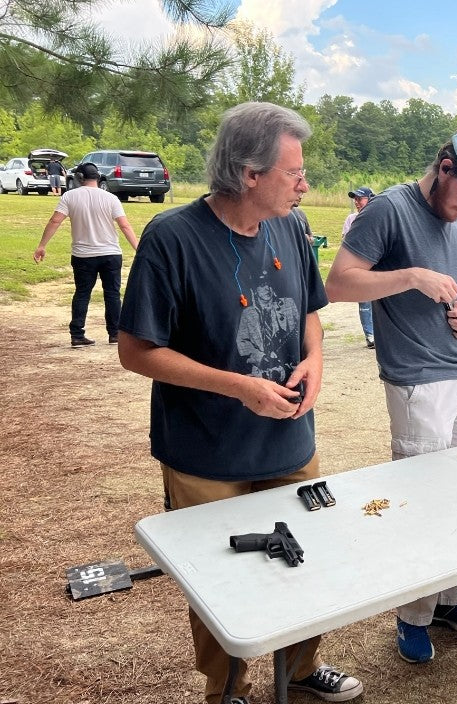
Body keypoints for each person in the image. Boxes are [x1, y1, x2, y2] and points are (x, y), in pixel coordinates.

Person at [116, 102, 363, 704]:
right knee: (218, 579)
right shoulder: (171, 238)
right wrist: (239, 385)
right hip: (206, 449)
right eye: (293, 173)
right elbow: (136, 351)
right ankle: (228, 689)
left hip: (289, 440)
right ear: (249, 174)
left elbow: (309, 311)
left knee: (310, 555)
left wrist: (315, 364)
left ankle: (302, 669)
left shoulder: (292, 228)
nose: (304, 184)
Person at [324, 131, 457, 664]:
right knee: (423, 501)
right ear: (445, 167)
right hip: (417, 381)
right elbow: (338, 284)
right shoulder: (387, 211)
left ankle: (451, 600)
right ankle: (413, 617)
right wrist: (409, 277)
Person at [33, 162, 139, 347]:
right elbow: (124, 225)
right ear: (97, 177)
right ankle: (115, 334)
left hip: (83, 255)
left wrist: (42, 245)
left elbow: (55, 220)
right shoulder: (110, 198)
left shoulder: (70, 196)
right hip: (110, 253)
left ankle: (77, 334)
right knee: (112, 294)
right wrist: (138, 248)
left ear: (79, 178)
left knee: (82, 293)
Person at [343, 186, 376, 347]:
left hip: (377, 266)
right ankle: (370, 336)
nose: (356, 202)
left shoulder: (379, 216)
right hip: (360, 265)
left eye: (360, 198)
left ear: (370, 199)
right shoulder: (351, 219)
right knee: (364, 301)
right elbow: (346, 242)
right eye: (355, 199)